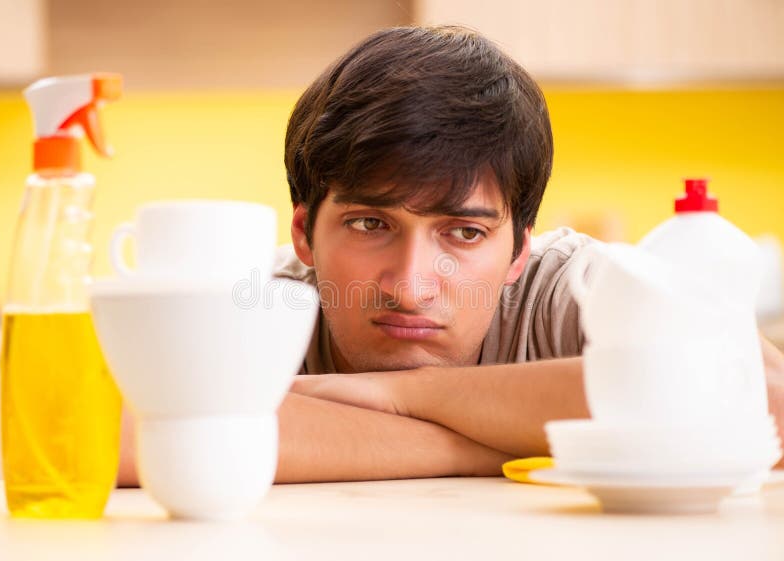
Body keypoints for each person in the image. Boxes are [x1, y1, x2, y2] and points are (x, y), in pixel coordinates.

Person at [118, 25, 784, 486]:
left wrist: (399, 395)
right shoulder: (262, 300)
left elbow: (754, 393)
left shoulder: (572, 287)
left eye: (463, 233)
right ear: (303, 235)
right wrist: (480, 440)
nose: (410, 287)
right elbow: (107, 430)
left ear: (520, 249)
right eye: (370, 222)